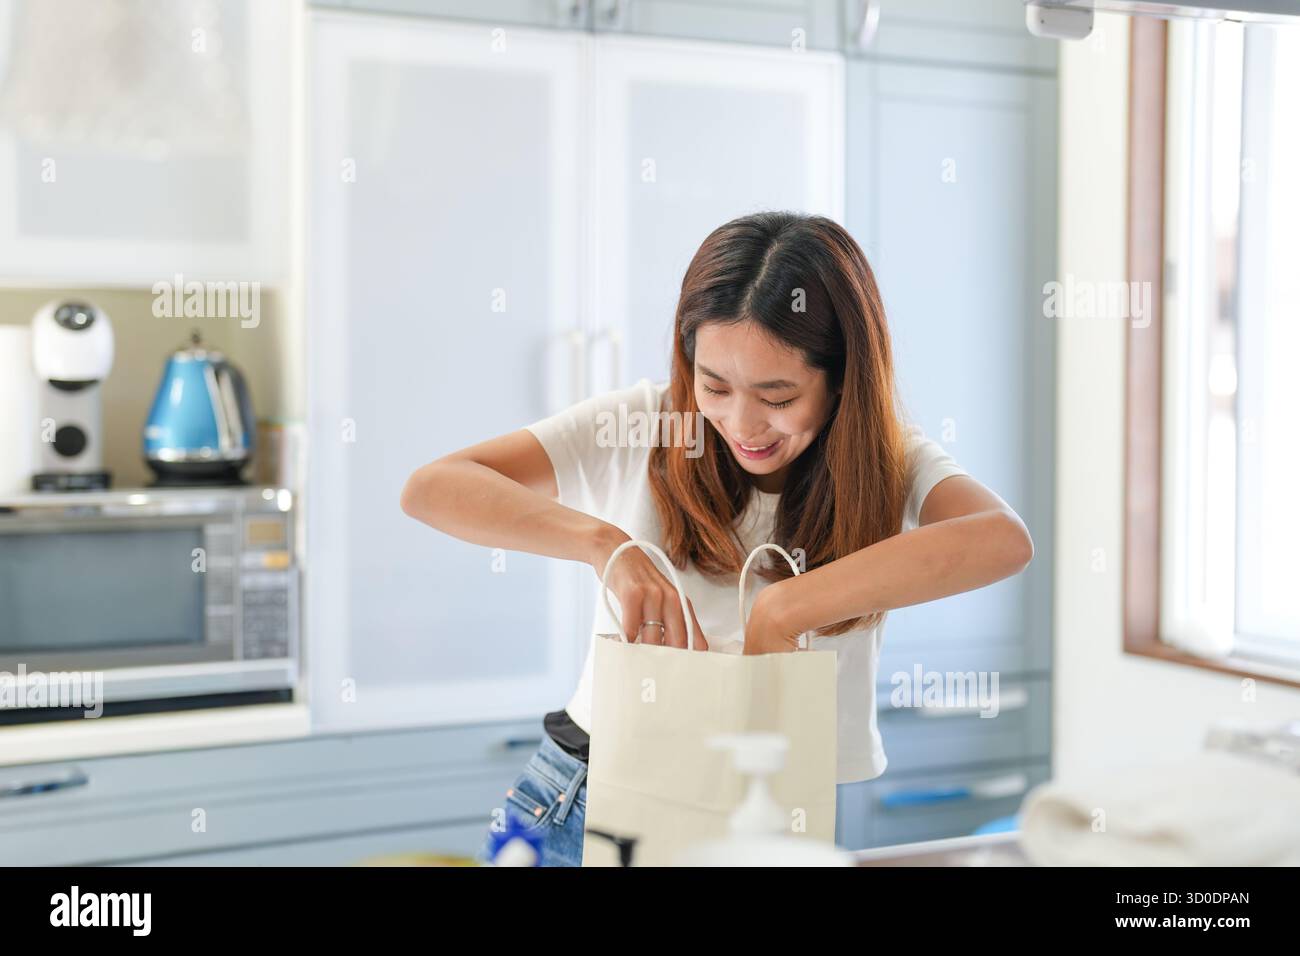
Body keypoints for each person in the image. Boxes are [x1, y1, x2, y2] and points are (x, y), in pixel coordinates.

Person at [400, 211, 1034, 866]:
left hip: (774, 814)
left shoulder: (890, 465)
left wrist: (785, 608)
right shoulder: (646, 423)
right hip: (589, 806)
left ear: (842, 377)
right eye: (715, 386)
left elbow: (1002, 540)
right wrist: (605, 545)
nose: (742, 422)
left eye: (778, 394)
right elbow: (434, 486)